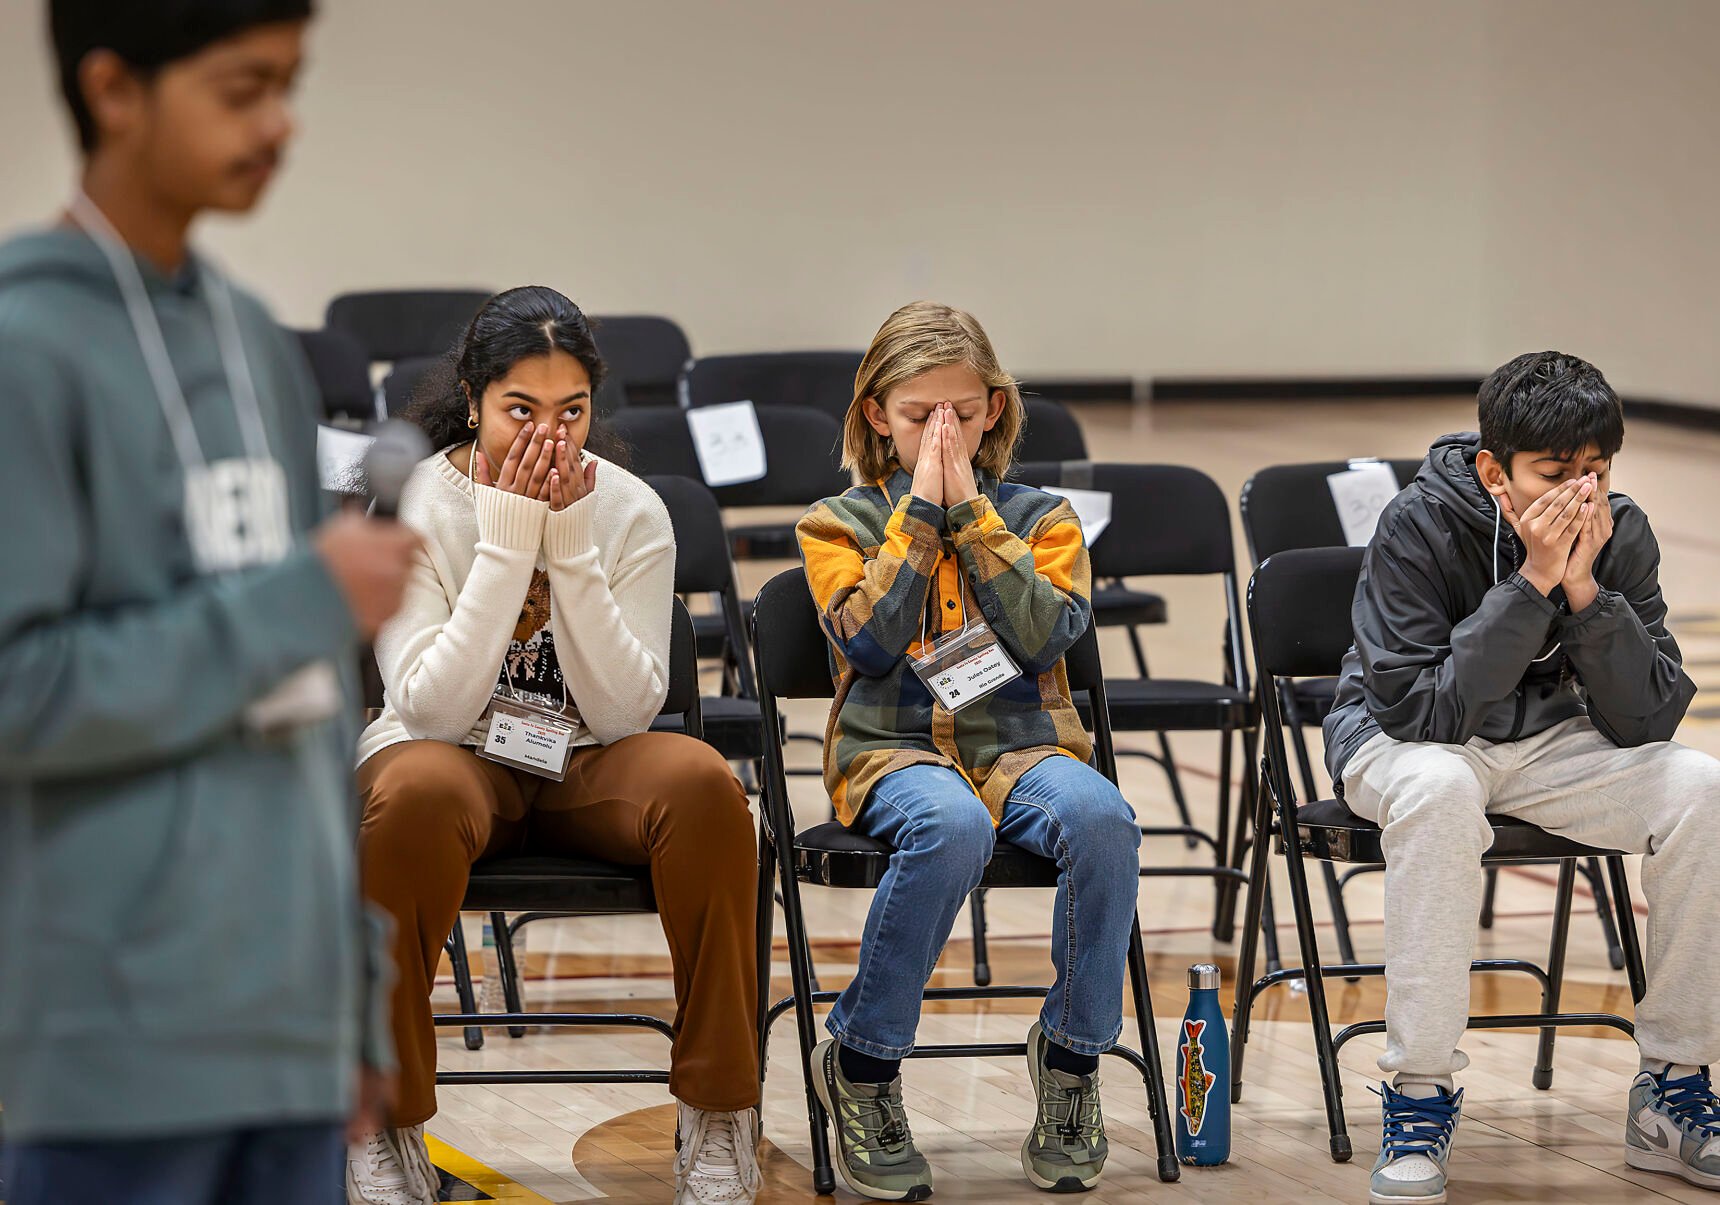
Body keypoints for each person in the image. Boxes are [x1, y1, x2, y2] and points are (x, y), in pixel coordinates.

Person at [0, 3, 417, 1203]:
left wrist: (351, 1001)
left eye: (290, 84)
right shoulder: (28, 346)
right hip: (113, 1037)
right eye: (242, 89)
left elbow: (309, 721)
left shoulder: (252, 342)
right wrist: (299, 600)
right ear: (115, 89)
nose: (280, 124)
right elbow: (20, 690)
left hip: (287, 1033)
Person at [352, 286, 762, 1205]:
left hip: (582, 759)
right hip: (450, 759)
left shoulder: (629, 511)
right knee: (409, 792)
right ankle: (385, 1119)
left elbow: (624, 713)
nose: (550, 435)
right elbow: (427, 707)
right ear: (473, 402)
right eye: (521, 411)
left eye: (571, 411)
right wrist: (505, 547)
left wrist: (568, 546)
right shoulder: (422, 503)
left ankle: (721, 1109)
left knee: (703, 781)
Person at [1323, 351, 1720, 1203]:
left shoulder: (1623, 532)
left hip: (1544, 746)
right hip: (1403, 737)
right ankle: (1419, 1091)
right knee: (1441, 789)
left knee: (1702, 788)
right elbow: (1424, 715)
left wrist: (1585, 592)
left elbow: (1649, 720)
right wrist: (1535, 580)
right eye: (1554, 473)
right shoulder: (1417, 523)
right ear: (1493, 470)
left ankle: (1673, 1083)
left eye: (1596, 472)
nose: (1579, 493)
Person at [795, 301, 1142, 1199]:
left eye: (962, 410)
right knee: (950, 828)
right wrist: (919, 517)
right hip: (892, 750)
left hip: (1022, 746)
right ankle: (863, 1066)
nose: (943, 431)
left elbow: (1044, 638)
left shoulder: (1045, 518)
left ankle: (1070, 1059)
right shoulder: (834, 523)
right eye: (919, 415)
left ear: (994, 408)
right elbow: (869, 644)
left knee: (1103, 817)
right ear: (877, 414)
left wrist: (976, 520)